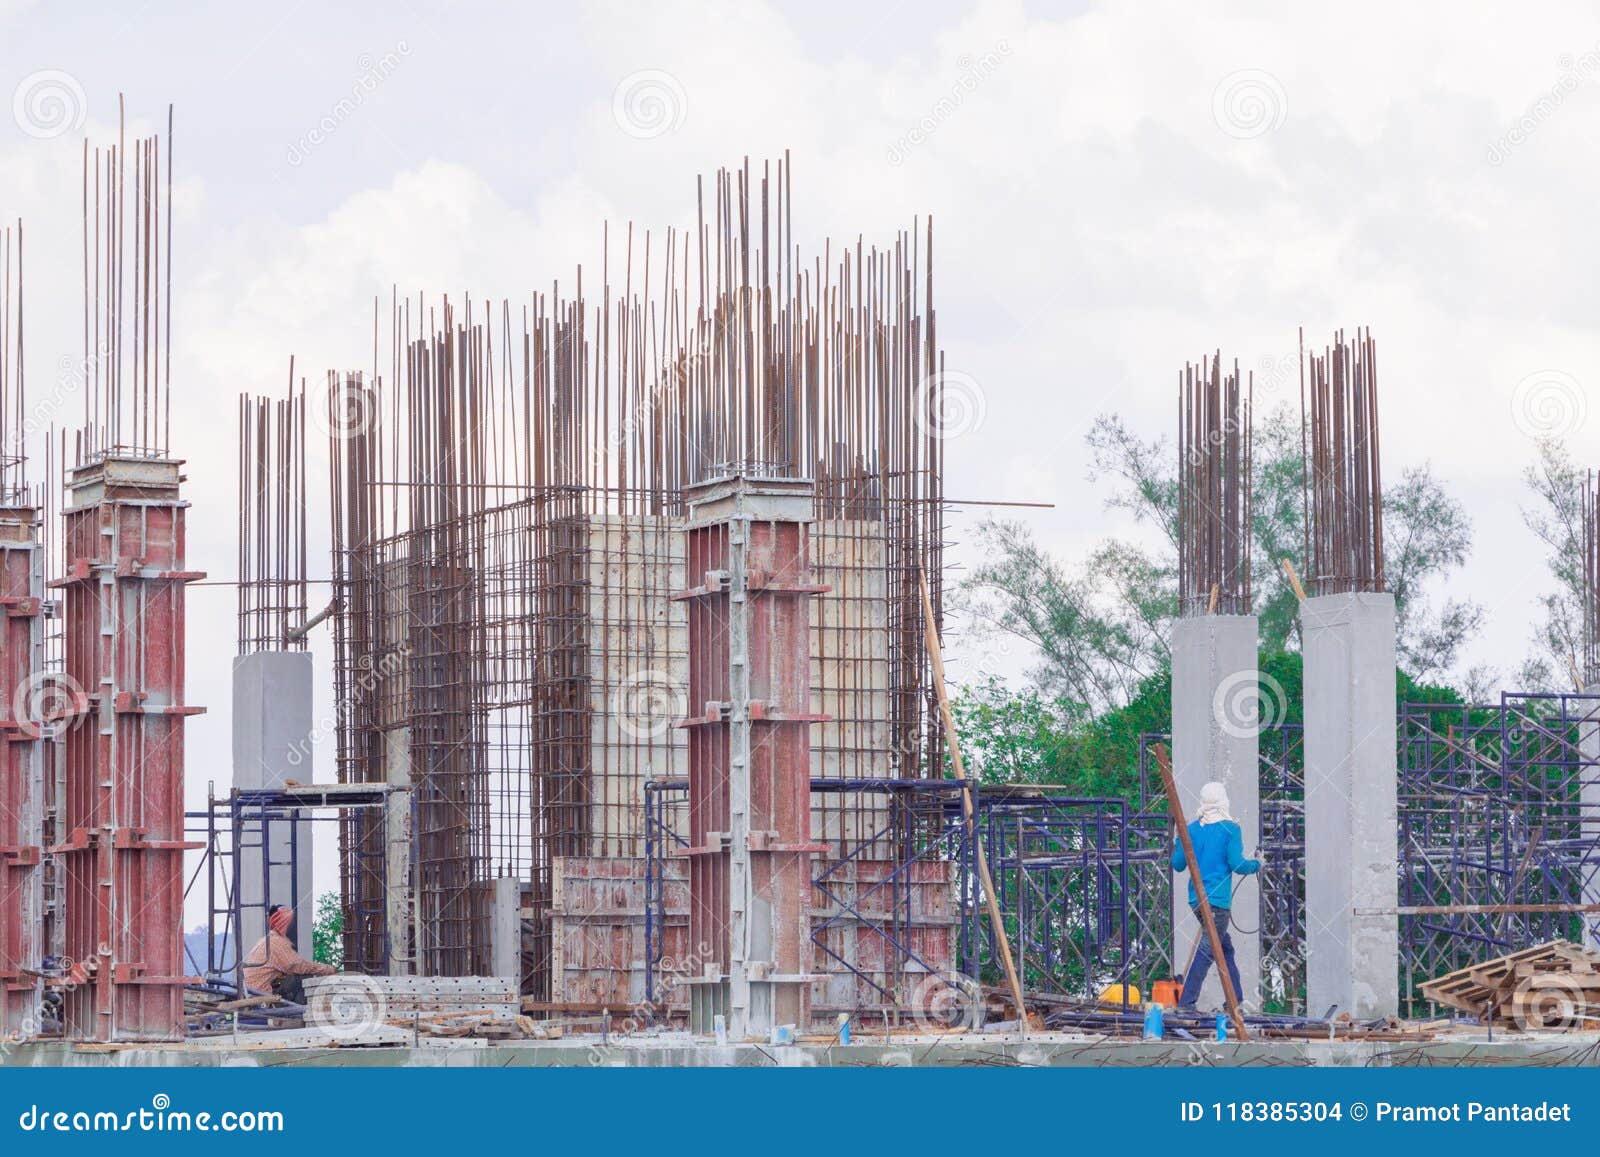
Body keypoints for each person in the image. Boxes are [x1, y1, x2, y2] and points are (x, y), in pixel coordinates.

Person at [1171, 781, 1261, 1011]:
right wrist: (1257, 864)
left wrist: (1178, 840)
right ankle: (1187, 1003)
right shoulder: (1231, 829)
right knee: (1208, 949)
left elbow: (1177, 864)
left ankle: (1235, 1000)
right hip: (1218, 902)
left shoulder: (1189, 828)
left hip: (1196, 900)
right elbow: (1238, 864)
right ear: (1224, 801)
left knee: (1225, 948)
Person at [241, 904, 336, 1004]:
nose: (292, 925)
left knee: (290, 977)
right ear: (284, 923)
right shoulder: (276, 943)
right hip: (260, 995)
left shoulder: (267, 940)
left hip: (251, 991)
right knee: (302, 978)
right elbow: (299, 966)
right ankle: (302, 1013)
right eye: (291, 922)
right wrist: (327, 969)